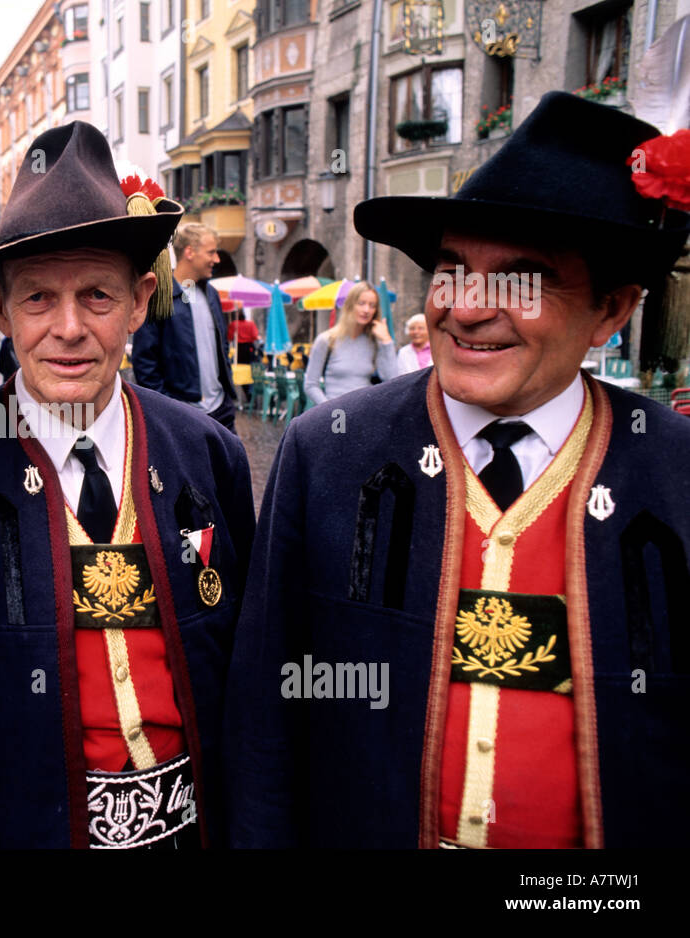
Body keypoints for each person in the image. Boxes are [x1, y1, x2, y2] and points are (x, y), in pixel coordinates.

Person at [225, 91, 690, 848]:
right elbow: (264, 720)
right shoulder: (328, 453)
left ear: (611, 310)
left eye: (523, 280)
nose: (468, 309)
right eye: (451, 271)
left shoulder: (675, 476)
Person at [0, 121, 256, 848]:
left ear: (142, 300)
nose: (70, 328)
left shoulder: (209, 455)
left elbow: (246, 677)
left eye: (98, 296)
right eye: (38, 300)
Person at [130, 223, 239, 431]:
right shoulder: (159, 298)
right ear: (189, 252)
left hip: (221, 411)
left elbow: (221, 348)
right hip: (182, 415)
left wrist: (227, 393)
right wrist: (170, 408)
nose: (216, 259)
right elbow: (145, 363)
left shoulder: (212, 295)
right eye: (211, 252)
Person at [302, 282, 397, 405]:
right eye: (361, 303)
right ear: (350, 305)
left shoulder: (375, 342)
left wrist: (387, 341)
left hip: (364, 412)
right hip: (335, 416)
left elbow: (394, 381)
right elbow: (310, 385)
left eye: (372, 305)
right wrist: (328, 409)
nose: (366, 310)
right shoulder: (326, 340)